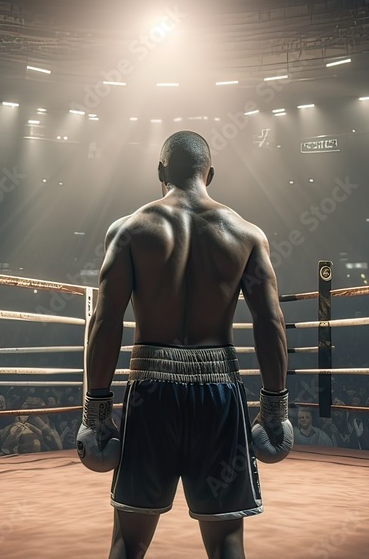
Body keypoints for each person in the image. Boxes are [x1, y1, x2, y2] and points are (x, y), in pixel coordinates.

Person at [77, 130, 291, 559]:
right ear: (210, 173)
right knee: (227, 541)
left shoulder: (129, 230)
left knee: (128, 542)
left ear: (160, 170)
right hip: (219, 394)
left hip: (151, 394)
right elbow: (269, 322)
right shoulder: (247, 234)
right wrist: (274, 410)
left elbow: (106, 319)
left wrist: (95, 413)